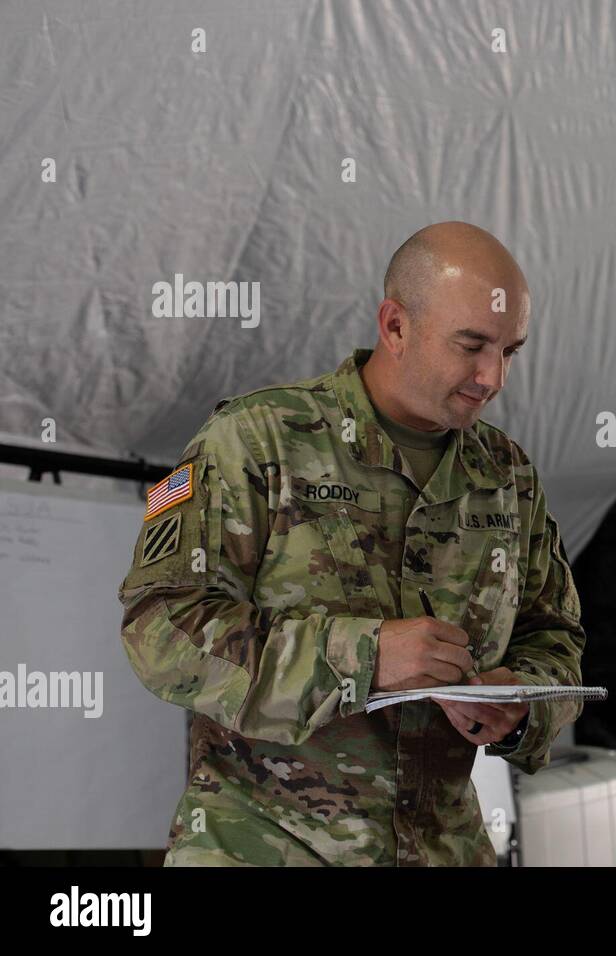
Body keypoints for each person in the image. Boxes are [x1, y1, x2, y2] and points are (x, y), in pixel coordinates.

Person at [118, 222, 585, 866]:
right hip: (264, 845)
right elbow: (161, 629)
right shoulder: (254, 441)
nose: (493, 377)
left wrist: (519, 704)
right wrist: (360, 655)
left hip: (442, 847)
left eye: (511, 351)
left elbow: (555, 636)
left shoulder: (508, 476)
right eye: (472, 345)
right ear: (395, 326)